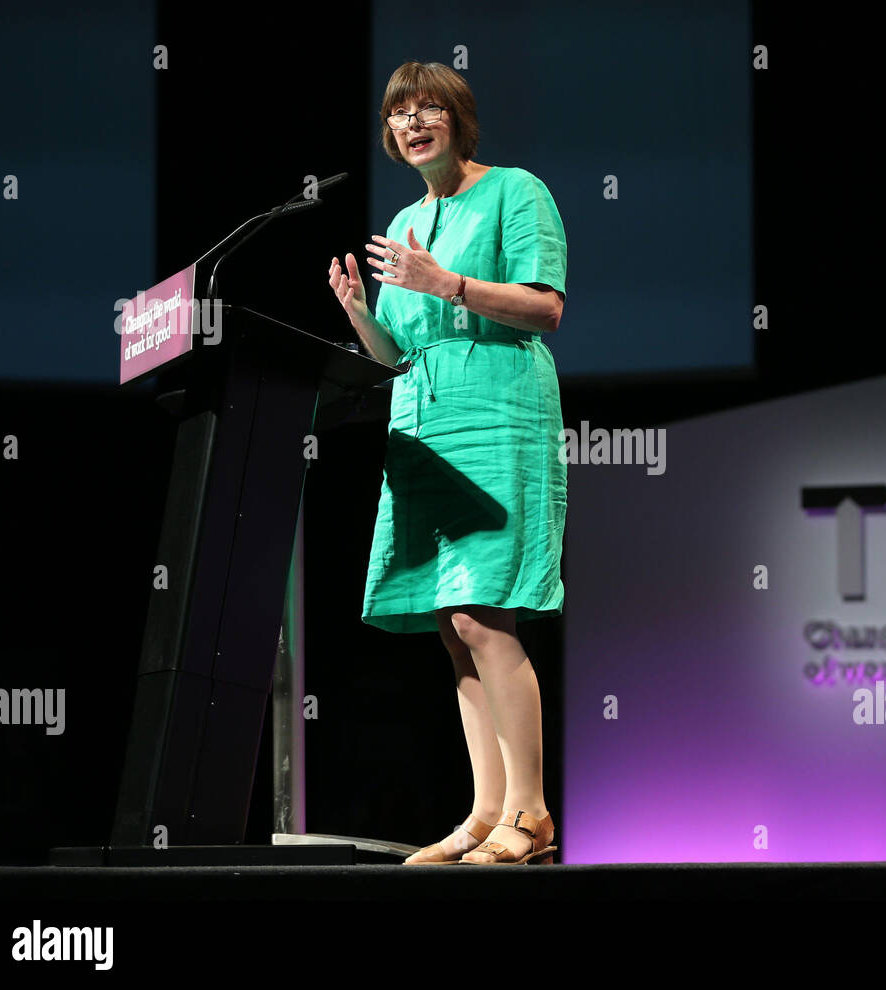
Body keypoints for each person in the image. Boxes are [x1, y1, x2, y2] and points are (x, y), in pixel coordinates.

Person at [327, 61, 566, 865]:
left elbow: (546, 307)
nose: (414, 122)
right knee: (450, 625)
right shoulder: (402, 222)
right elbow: (399, 351)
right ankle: (485, 811)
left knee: (482, 614)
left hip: (497, 411)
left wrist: (450, 282)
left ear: (459, 120)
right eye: (400, 113)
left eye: (430, 108)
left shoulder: (515, 192)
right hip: (422, 422)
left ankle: (530, 814)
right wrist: (363, 315)